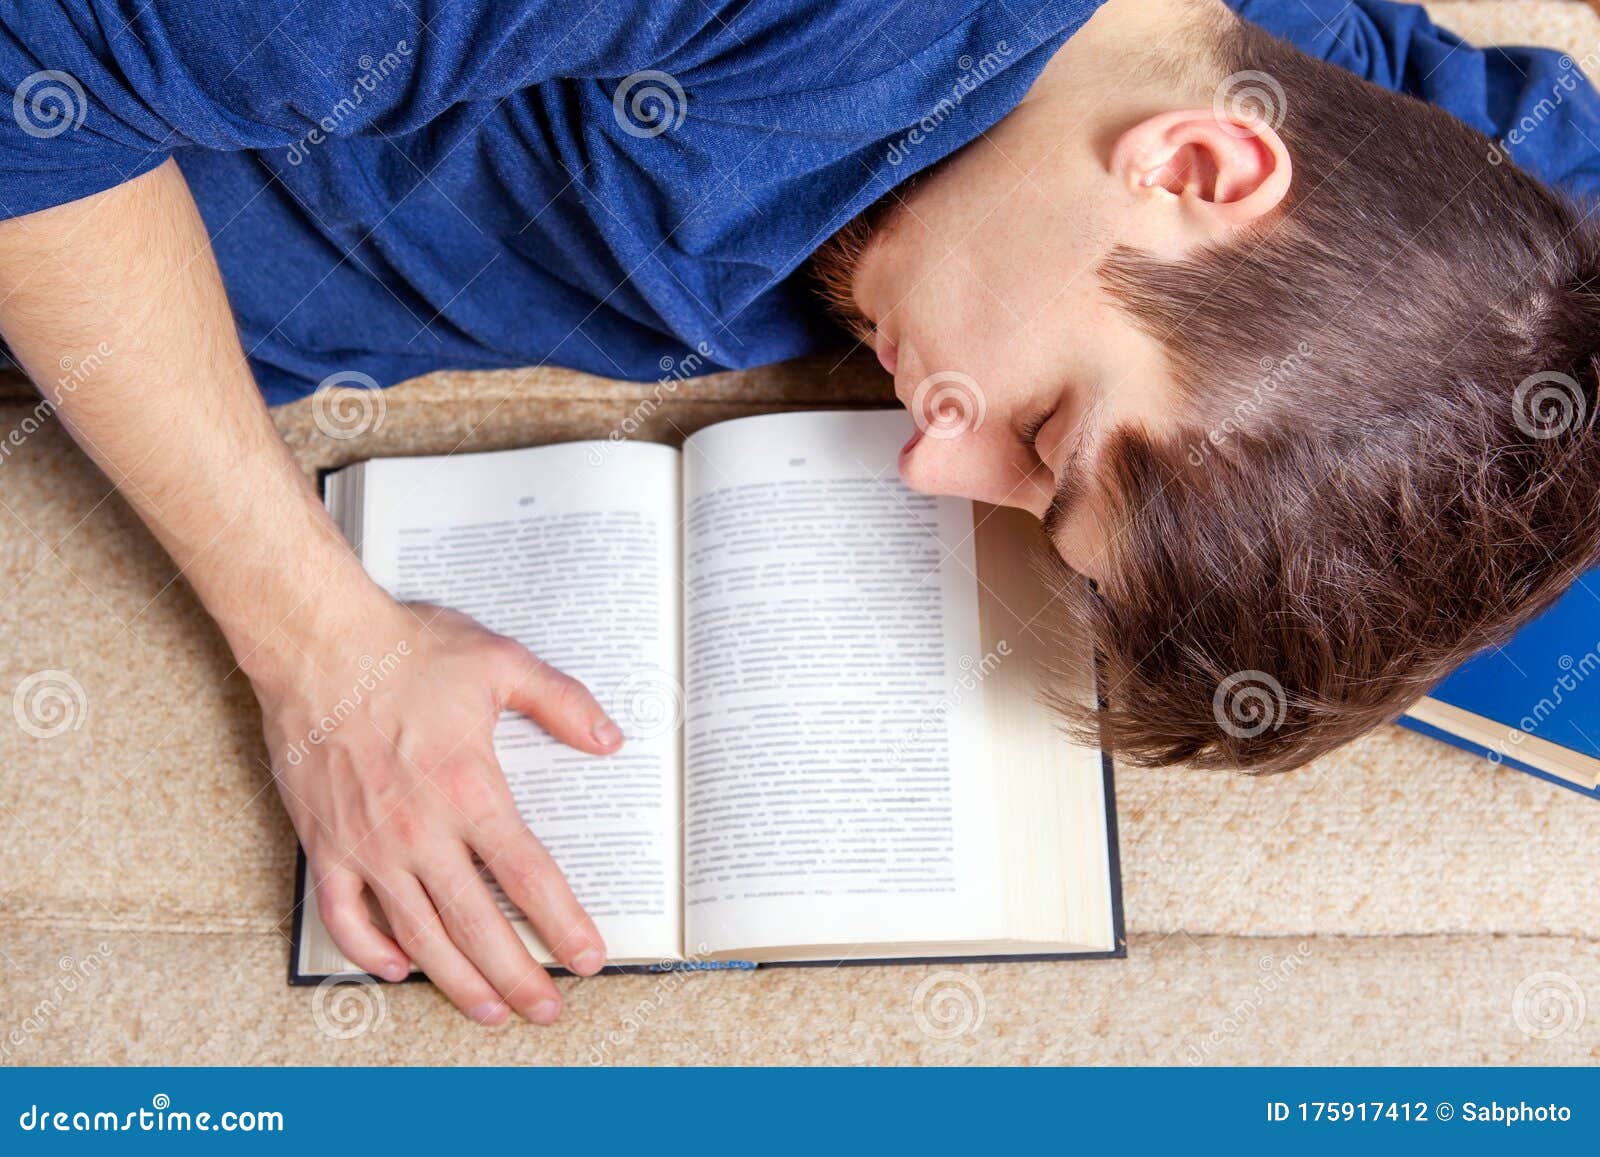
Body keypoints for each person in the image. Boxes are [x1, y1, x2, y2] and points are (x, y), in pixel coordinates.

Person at [0, 0, 1595, 1026]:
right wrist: (324, 649)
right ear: (1191, 165)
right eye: (1044, 431)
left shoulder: (1346, 118)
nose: (926, 471)